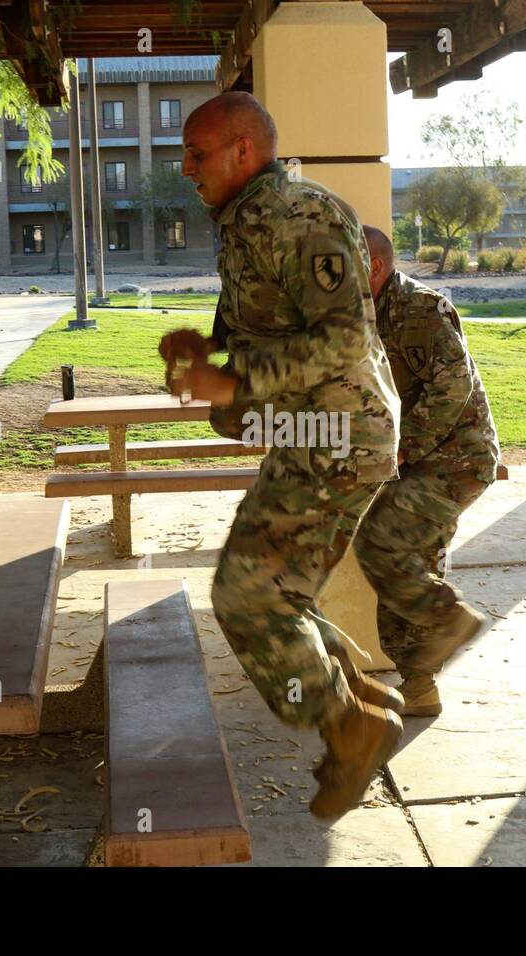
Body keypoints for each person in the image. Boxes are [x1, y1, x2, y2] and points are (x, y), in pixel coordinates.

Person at [157, 92, 403, 822]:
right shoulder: (244, 221)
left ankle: (354, 725)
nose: (186, 168)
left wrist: (234, 381)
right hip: (310, 436)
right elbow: (262, 317)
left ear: (244, 151)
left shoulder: (302, 214)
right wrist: (207, 347)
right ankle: (358, 703)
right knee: (270, 591)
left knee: (248, 595)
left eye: (198, 154)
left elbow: (345, 339)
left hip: (339, 436)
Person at [353, 226, 500, 715]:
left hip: (457, 456)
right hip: (412, 459)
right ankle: (419, 685)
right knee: (407, 557)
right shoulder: (357, 315)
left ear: (374, 266)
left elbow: (451, 389)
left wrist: (397, 449)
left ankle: (448, 619)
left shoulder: (423, 309)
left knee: (380, 542)